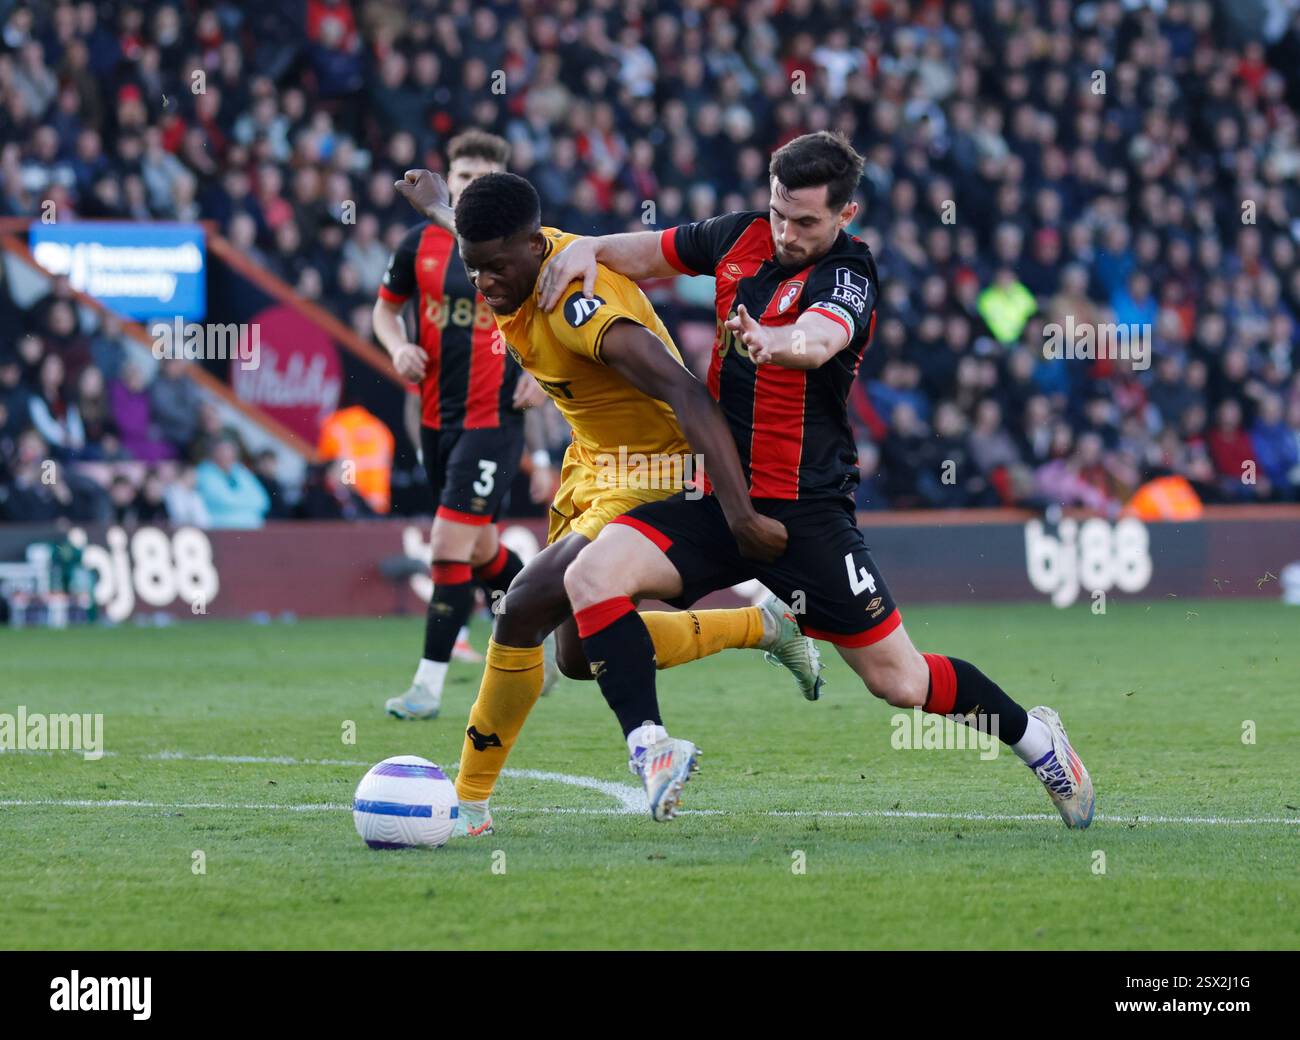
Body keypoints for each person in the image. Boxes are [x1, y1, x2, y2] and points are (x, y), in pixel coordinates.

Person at [543, 131, 1095, 829]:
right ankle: (652, 748)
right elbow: (647, 251)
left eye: (805, 221)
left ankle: (1040, 742)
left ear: (845, 216)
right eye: (778, 211)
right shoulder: (739, 235)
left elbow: (821, 337)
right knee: (589, 579)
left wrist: (776, 342)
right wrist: (586, 247)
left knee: (901, 683)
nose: (785, 232)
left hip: (805, 517)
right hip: (718, 499)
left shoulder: (849, 276)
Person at [395, 167, 823, 833]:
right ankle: (764, 626)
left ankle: (469, 804)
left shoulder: (574, 305)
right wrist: (440, 207)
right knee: (576, 656)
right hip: (591, 464)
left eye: (491, 270)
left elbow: (686, 393)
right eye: (471, 269)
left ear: (534, 249)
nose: (482, 285)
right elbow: (482, 243)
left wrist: (739, 515)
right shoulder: (509, 256)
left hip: (652, 469)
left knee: (522, 607)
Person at [373, 130, 547, 720]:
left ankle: (427, 686)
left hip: (495, 417)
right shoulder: (417, 245)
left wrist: (543, 376)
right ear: (447, 179)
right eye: (461, 175)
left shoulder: (523, 249)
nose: (468, 186)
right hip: (433, 420)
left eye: (480, 177)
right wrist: (396, 347)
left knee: (448, 543)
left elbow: (556, 315)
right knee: (482, 549)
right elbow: (385, 309)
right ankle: (537, 639)